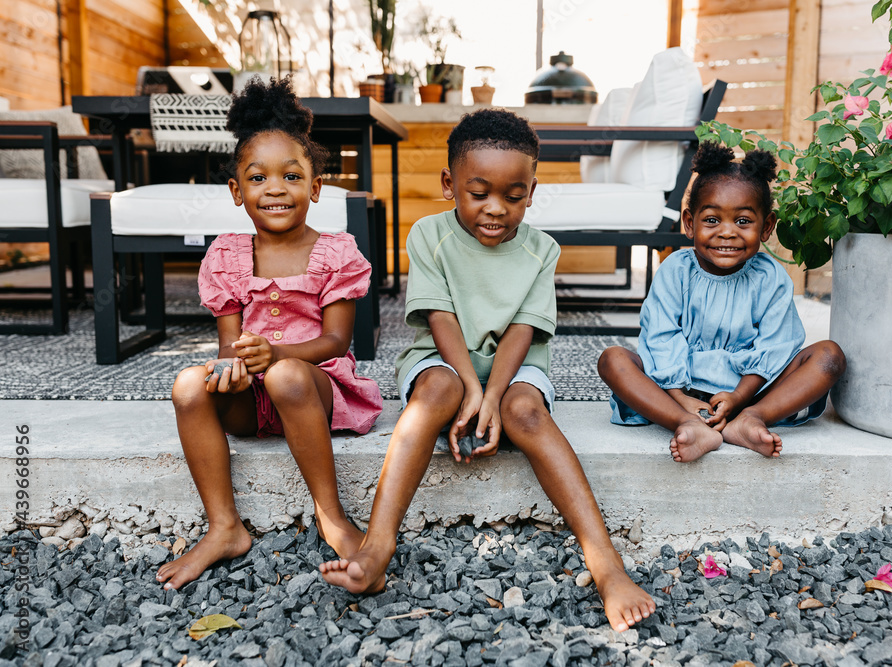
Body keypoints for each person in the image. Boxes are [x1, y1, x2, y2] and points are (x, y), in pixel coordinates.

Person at [318, 109, 655, 632]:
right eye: (480, 193)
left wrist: (493, 396)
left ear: (531, 190)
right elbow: (440, 316)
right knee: (436, 392)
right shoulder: (428, 234)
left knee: (527, 412)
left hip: (516, 368)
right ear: (450, 184)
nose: (496, 209)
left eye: (514, 196)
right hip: (442, 358)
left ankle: (605, 562)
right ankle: (377, 545)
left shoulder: (543, 250)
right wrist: (471, 388)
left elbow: (523, 329)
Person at [156, 77, 383, 591]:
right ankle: (224, 527)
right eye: (258, 178)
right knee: (189, 385)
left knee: (285, 377)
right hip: (252, 393)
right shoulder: (227, 255)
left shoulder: (335, 252)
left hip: (311, 386)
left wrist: (276, 353)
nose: (275, 189)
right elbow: (227, 346)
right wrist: (230, 371)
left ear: (315, 186)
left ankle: (331, 515)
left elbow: (335, 343)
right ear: (237, 191)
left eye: (291, 176)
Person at [598, 141, 845, 463]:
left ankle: (750, 419)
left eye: (743, 221)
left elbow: (776, 345)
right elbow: (659, 338)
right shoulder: (675, 270)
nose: (727, 233)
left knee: (829, 356)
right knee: (613, 359)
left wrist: (740, 397)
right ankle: (687, 423)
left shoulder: (770, 277)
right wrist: (681, 399)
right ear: (689, 222)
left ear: (767, 226)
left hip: (752, 392)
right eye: (712, 220)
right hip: (674, 393)